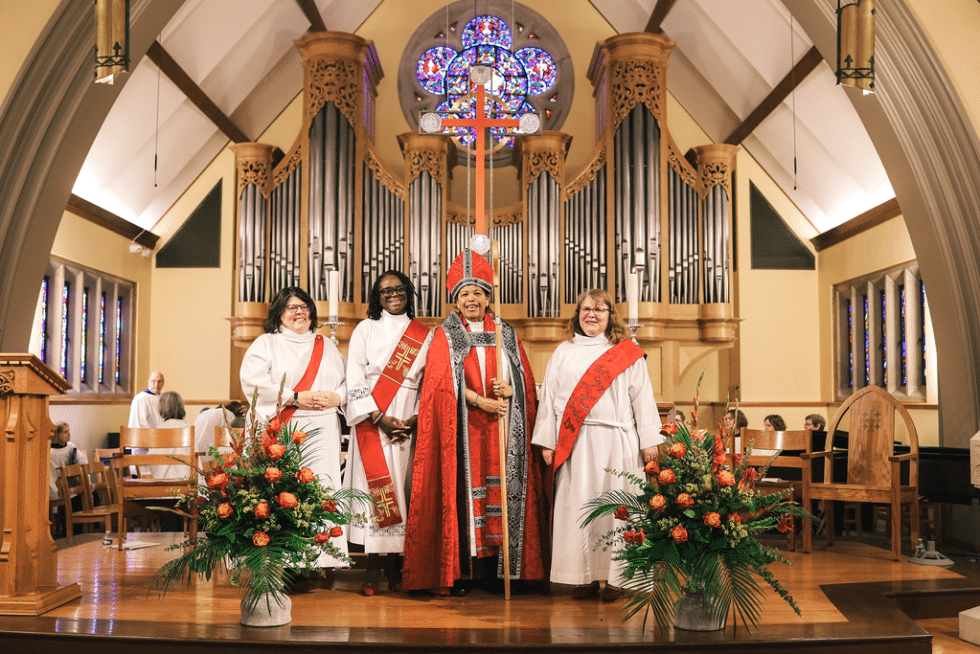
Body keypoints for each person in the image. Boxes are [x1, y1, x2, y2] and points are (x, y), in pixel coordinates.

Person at [403, 249, 550, 596]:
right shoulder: (446, 335)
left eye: (478, 293)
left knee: (502, 497)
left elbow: (525, 382)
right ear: (456, 302)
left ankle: (504, 574)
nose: (472, 299)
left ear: (487, 298)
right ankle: (464, 574)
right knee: (467, 499)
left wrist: (511, 387)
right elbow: (438, 386)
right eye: (464, 294)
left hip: (501, 429)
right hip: (464, 430)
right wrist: (478, 399)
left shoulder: (506, 332)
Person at [532, 289, 663, 601]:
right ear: (577, 314)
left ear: (610, 315)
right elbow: (549, 400)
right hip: (576, 444)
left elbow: (642, 398)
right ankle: (583, 575)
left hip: (619, 442)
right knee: (579, 508)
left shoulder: (626, 351)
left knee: (620, 508)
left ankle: (621, 577)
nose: (591, 315)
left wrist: (649, 441)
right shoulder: (563, 352)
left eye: (599, 309)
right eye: (586, 309)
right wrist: (548, 441)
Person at [239, 285, 348, 573]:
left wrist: (338, 397)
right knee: (284, 490)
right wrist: (295, 397)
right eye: (291, 308)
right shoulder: (265, 344)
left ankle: (319, 558)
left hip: (324, 428)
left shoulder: (328, 347)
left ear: (312, 312)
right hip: (286, 426)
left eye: (304, 307)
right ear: (279, 314)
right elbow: (253, 382)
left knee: (319, 489)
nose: (299, 312)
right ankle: (281, 558)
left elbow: (350, 382)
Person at [344, 270, 432, 596]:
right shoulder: (365, 330)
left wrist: (416, 418)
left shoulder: (425, 335)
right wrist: (378, 417)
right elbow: (353, 380)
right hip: (372, 417)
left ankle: (395, 564)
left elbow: (431, 382)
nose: (393, 295)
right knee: (373, 493)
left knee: (400, 491)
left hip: (407, 419)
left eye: (398, 289)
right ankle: (371, 566)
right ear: (377, 297)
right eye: (385, 291)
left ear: (408, 292)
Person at [148, 391, 192, 480]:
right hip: (188, 480)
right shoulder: (189, 427)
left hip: (166, 481)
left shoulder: (161, 428)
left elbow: (152, 458)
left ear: (162, 407)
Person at [49, 422, 87, 501]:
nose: (69, 434)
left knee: (93, 494)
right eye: (65, 432)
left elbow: (83, 462)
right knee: (81, 499)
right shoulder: (50, 452)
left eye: (69, 431)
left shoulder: (70, 446)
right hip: (56, 488)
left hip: (71, 485)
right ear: (57, 435)